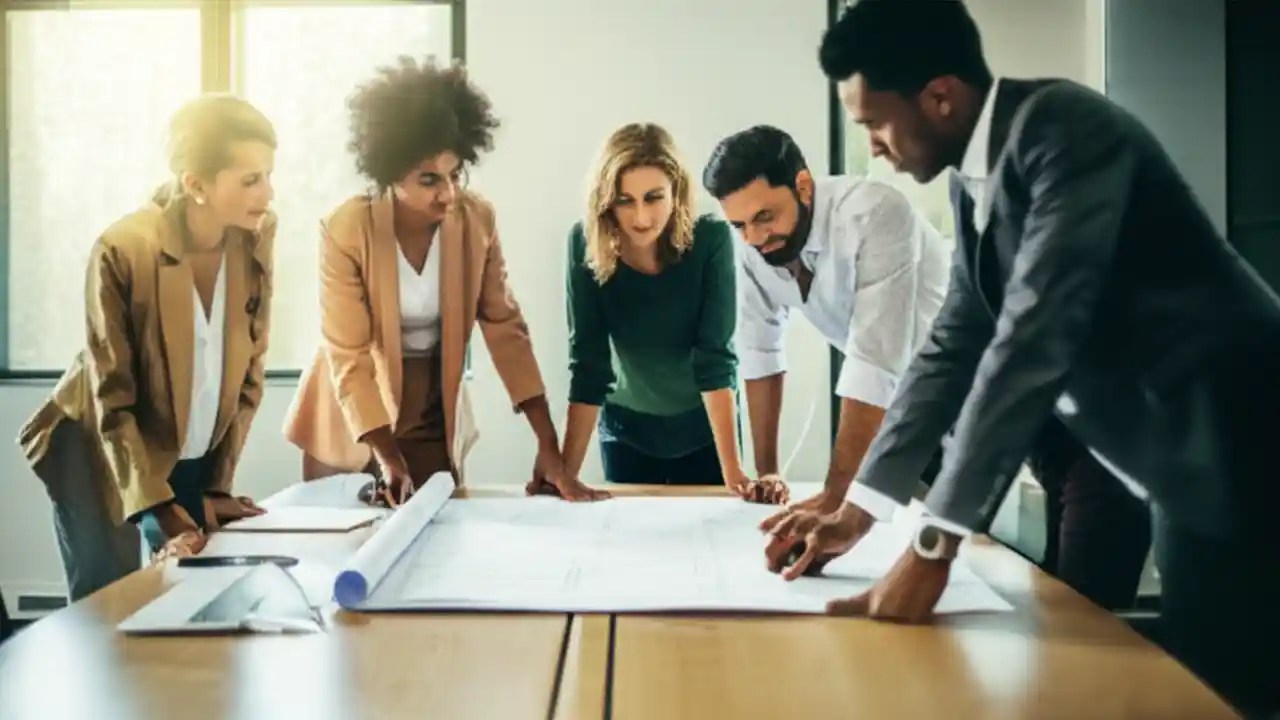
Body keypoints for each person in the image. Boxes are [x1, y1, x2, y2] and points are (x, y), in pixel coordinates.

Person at [763, 1, 1280, 715]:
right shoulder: (969, 181)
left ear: (940, 97)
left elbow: (1033, 339)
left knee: (1217, 688)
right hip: (1183, 465)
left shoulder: (1064, 130)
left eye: (873, 123)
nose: (873, 146)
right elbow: (952, 348)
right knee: (1197, 685)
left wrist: (935, 544)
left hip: (1246, 445)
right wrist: (863, 510)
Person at [285, 57, 580, 505]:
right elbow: (349, 354)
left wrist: (547, 444)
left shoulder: (476, 220)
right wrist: (387, 457)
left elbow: (506, 328)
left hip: (429, 409)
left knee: (433, 535)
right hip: (351, 414)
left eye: (455, 174)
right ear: (389, 173)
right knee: (344, 549)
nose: (448, 192)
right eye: (429, 179)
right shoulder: (346, 228)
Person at [19, 94, 278, 600]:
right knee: (107, 607)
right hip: (98, 441)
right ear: (196, 185)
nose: (268, 193)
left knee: (191, 593)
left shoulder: (255, 234)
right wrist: (158, 508)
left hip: (177, 440)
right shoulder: (122, 248)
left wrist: (215, 486)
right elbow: (110, 395)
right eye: (250, 180)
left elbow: (251, 370)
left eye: (269, 174)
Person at [702, 125, 949, 508]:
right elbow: (759, 352)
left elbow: (873, 362)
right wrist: (768, 473)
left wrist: (834, 498)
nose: (753, 237)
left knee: (977, 550)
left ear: (802, 186)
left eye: (765, 216)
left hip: (971, 401)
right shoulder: (754, 243)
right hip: (898, 416)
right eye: (739, 225)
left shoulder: (875, 213)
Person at [550, 123, 757, 498]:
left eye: (653, 197)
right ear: (606, 200)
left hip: (704, 431)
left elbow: (715, 359)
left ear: (677, 192)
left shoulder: (711, 239)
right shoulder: (582, 242)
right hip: (626, 433)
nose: (641, 217)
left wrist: (735, 475)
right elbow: (589, 365)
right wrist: (565, 475)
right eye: (625, 200)